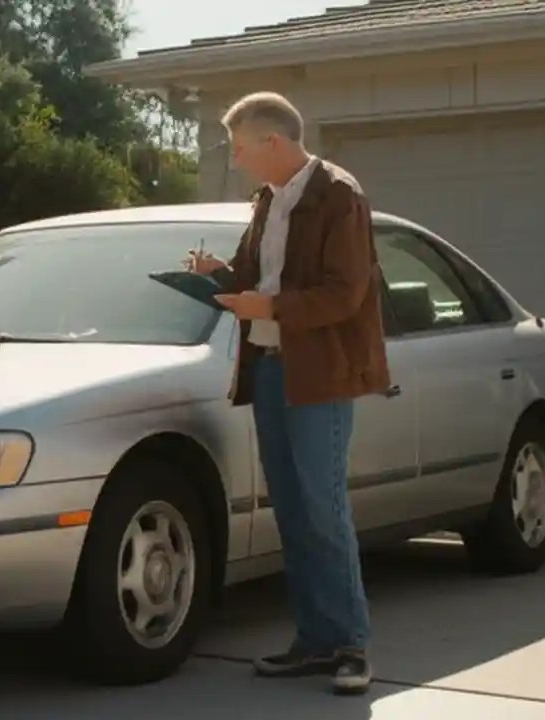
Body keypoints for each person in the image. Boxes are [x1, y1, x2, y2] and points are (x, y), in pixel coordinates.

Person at [187, 91, 391, 695]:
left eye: (241, 147)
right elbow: (262, 283)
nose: (237, 159)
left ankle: (351, 644)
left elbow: (343, 294)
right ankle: (314, 642)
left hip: (320, 373)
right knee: (295, 512)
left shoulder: (338, 195)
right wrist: (217, 276)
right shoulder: (268, 201)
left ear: (273, 142)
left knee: (323, 508)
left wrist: (268, 306)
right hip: (272, 369)